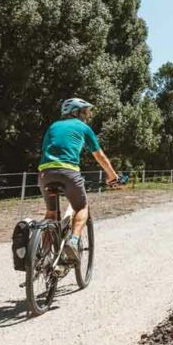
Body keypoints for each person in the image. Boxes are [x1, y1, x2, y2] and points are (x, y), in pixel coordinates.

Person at [38, 97, 120, 262]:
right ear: (75, 112)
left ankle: (42, 256)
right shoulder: (84, 128)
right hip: (69, 173)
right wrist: (112, 176)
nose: (87, 115)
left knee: (51, 213)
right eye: (85, 112)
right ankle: (73, 241)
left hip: (45, 174)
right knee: (82, 206)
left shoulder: (53, 126)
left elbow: (45, 149)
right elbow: (100, 156)